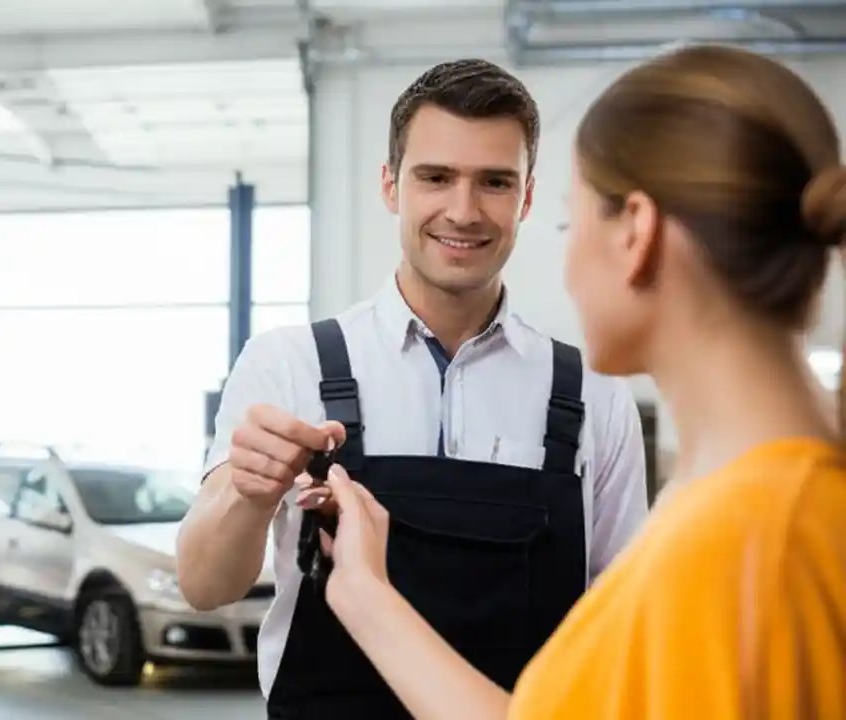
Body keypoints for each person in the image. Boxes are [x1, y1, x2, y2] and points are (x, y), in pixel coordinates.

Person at [314, 43, 846, 719]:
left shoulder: (741, 541)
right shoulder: (765, 506)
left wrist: (362, 593)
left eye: (572, 221)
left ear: (637, 234)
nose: (567, 265)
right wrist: (363, 593)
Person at [176, 59, 651, 718]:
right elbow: (205, 587)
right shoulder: (287, 365)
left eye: (494, 182)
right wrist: (247, 496)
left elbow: (624, 631)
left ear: (526, 198)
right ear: (390, 185)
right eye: (436, 177)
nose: (463, 211)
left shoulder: (595, 395)